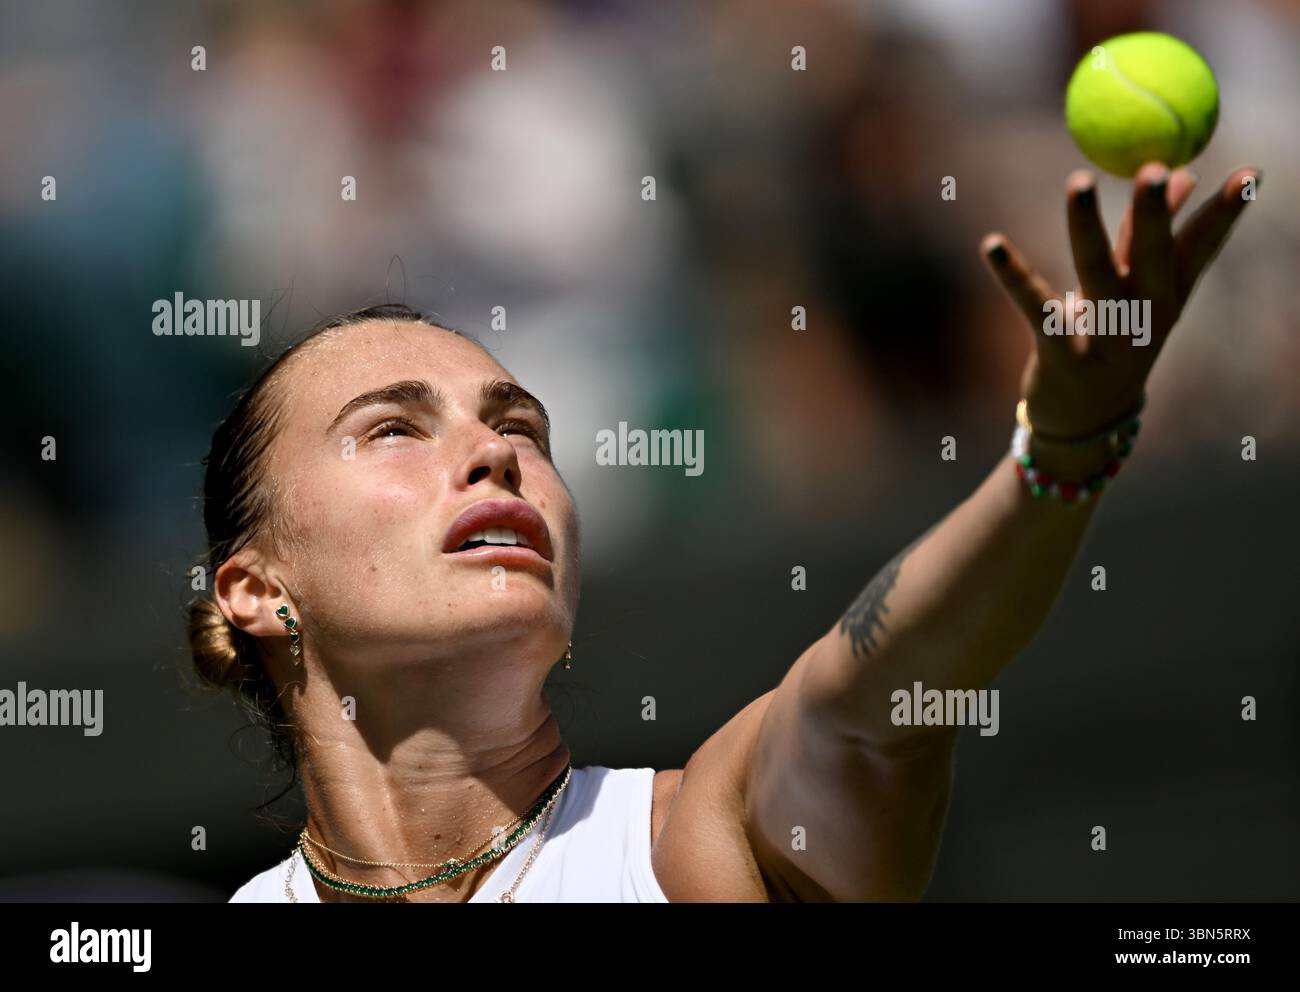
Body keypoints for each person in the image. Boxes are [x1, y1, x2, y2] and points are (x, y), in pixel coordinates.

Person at [192, 161, 1257, 902]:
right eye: (392, 426)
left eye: (517, 422)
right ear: (251, 586)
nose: (495, 451)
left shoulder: (697, 843)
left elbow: (880, 689)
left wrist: (1058, 453)